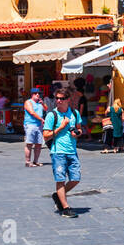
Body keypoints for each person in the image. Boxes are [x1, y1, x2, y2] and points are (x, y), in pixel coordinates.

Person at [43, 86, 83, 218]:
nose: (59, 101)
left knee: (76, 178)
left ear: (68, 99)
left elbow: (79, 129)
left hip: (72, 151)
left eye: (62, 99)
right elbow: (46, 135)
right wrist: (60, 127)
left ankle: (58, 196)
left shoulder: (75, 113)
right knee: (60, 179)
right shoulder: (51, 115)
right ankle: (65, 207)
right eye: (57, 98)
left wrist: (76, 133)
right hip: (58, 151)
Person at [23, 88, 46, 167]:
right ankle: (28, 162)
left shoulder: (39, 103)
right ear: (32, 94)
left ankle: (36, 161)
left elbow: (46, 109)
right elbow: (32, 112)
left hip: (39, 125)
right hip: (30, 124)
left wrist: (42, 104)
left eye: (39, 93)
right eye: (36, 93)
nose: (38, 95)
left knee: (38, 144)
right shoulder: (28, 102)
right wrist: (41, 119)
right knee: (29, 143)